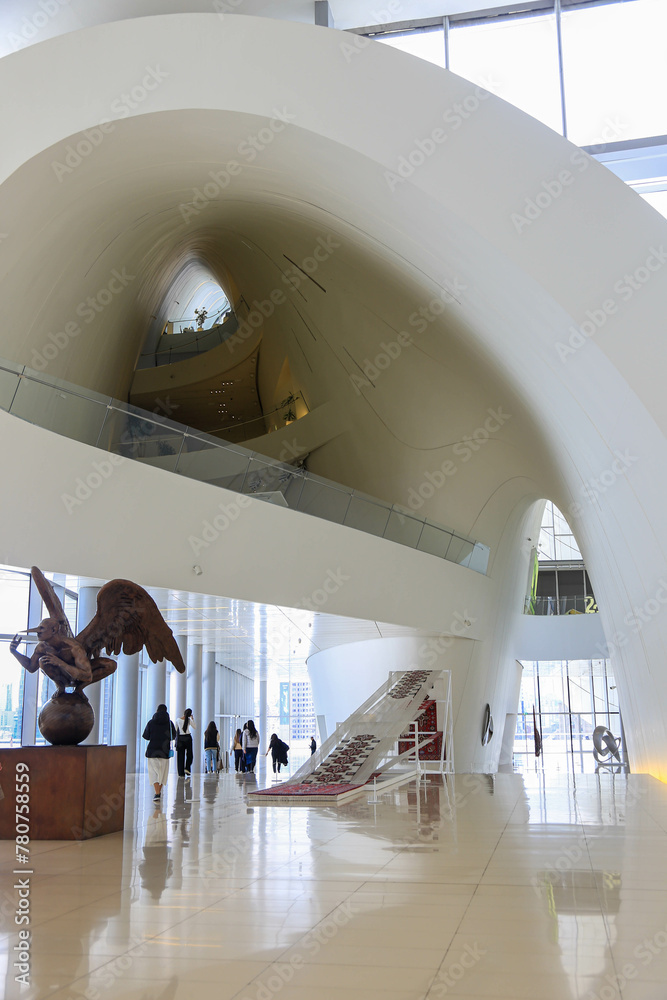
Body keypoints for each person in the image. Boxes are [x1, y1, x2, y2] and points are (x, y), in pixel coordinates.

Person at [142, 703, 176, 803]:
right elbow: (173, 736)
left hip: (152, 751)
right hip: (164, 752)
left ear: (157, 711)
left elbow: (146, 736)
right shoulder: (169, 723)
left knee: (153, 773)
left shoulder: (151, 722)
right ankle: (158, 792)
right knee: (162, 773)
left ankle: (157, 793)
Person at [175, 708, 196, 777]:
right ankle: (187, 768)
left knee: (180, 756)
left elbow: (175, 729)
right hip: (188, 738)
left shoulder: (178, 720)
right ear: (190, 715)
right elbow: (195, 727)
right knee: (190, 754)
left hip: (181, 738)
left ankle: (181, 772)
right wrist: (192, 719)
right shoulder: (189, 720)